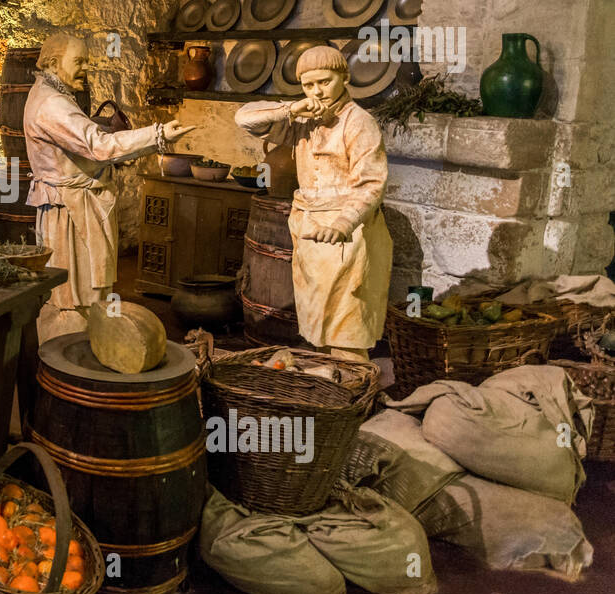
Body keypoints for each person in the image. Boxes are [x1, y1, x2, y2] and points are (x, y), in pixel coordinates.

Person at [24, 33, 195, 340]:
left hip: (75, 206)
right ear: (53, 63)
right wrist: (157, 136)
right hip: (71, 214)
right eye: (79, 61)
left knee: (85, 294)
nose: (86, 68)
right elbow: (98, 146)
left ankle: (79, 360)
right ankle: (71, 365)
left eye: (87, 61)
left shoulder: (52, 95)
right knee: (75, 297)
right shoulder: (51, 104)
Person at [234, 45, 392, 360]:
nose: (317, 91)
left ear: (344, 77)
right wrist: (292, 110)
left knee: (347, 329)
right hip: (310, 234)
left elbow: (372, 183)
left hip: (349, 237)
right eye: (309, 85)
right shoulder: (302, 121)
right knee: (317, 326)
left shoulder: (359, 122)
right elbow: (244, 119)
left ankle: (352, 391)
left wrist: (344, 222)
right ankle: (328, 391)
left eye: (325, 81)